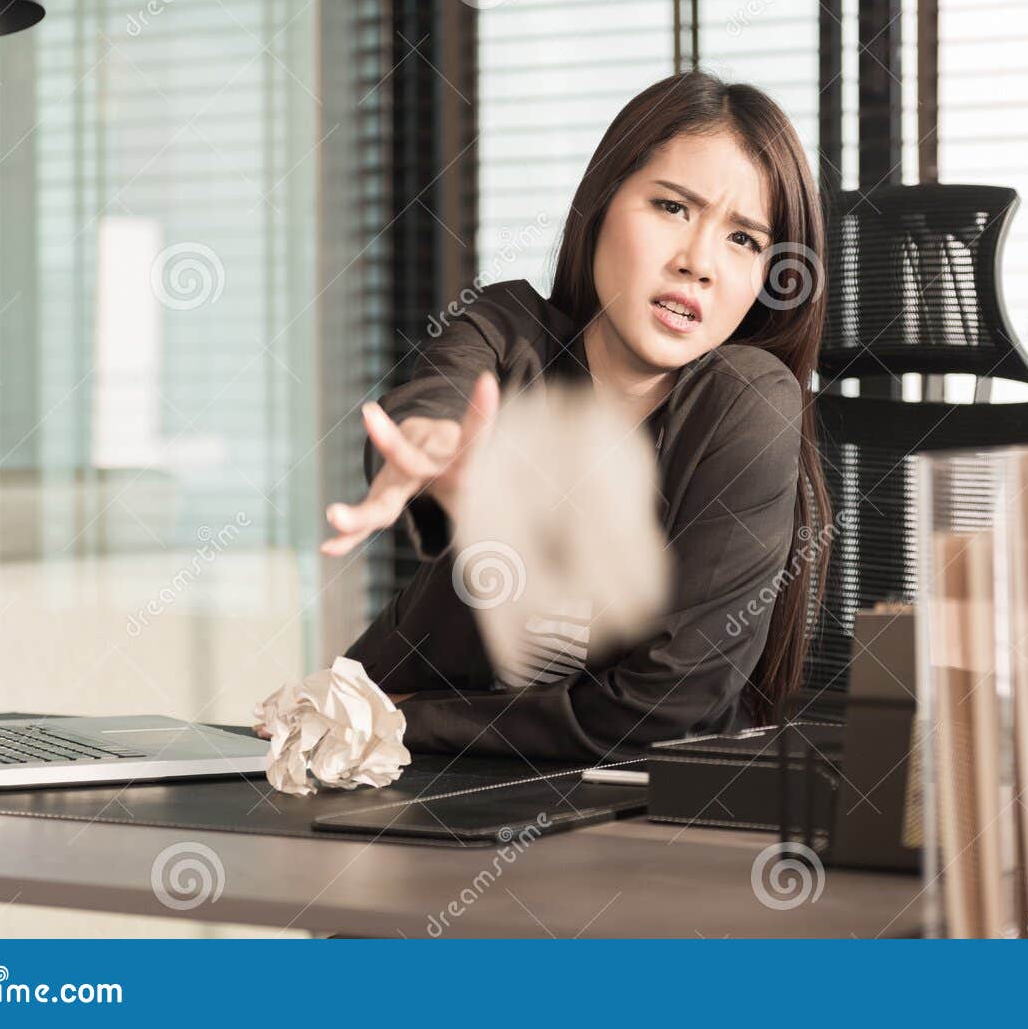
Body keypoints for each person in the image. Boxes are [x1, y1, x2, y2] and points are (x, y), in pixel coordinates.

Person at [315, 70, 830, 762]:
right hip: (376, 766)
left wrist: (415, 720)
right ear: (601, 204)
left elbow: (672, 708)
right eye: (673, 207)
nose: (698, 262)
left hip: (620, 815)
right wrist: (427, 448)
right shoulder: (508, 326)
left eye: (744, 240)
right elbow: (437, 402)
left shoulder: (749, 398)